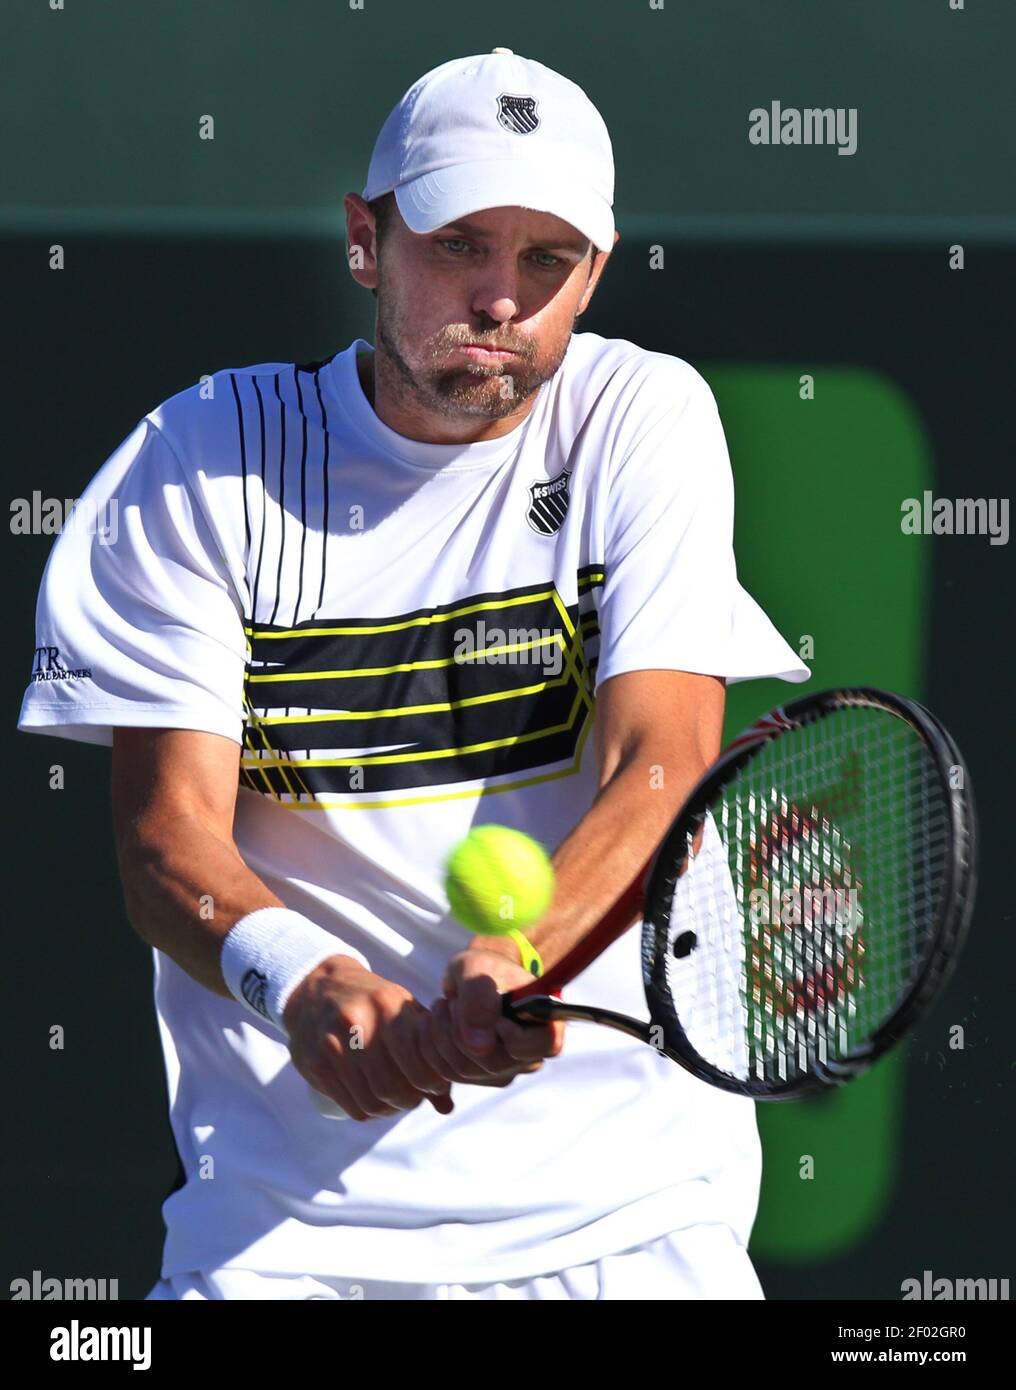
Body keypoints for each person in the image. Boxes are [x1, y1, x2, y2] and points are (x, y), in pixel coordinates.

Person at [18, 48, 809, 1300]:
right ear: (363, 239)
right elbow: (167, 838)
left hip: (628, 1222)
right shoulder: (203, 459)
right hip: (284, 1241)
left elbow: (660, 757)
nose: (501, 297)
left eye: (545, 260)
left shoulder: (640, 418)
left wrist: (522, 955)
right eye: (458, 245)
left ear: (593, 274)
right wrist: (299, 976)